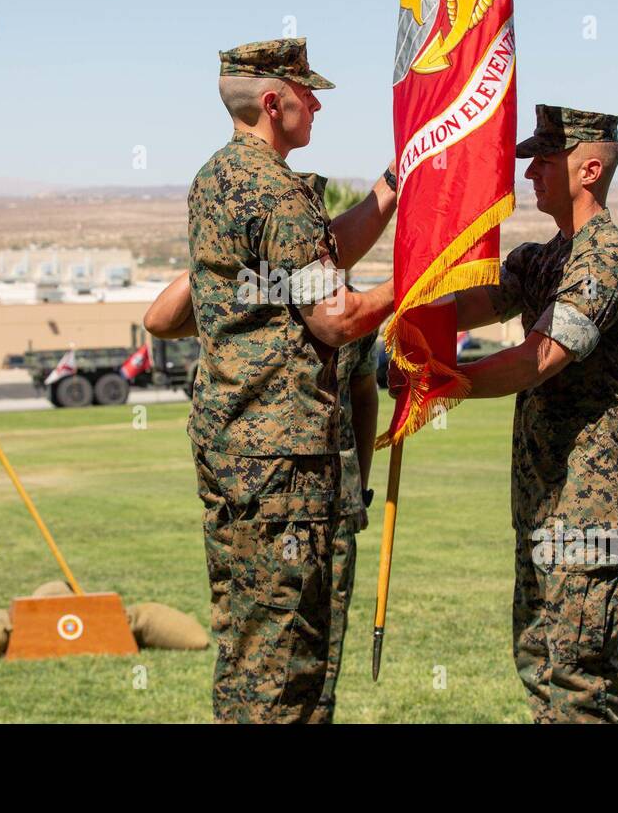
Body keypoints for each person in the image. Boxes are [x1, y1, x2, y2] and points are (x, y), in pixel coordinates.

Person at [178, 36, 396, 722]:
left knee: (248, 646)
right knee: (289, 662)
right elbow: (335, 318)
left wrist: (393, 192)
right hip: (286, 459)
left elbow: (310, 257)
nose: (319, 105)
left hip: (236, 448)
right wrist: (423, 282)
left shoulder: (217, 178)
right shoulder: (277, 193)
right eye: (309, 94)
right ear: (275, 102)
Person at [452, 104, 618, 723]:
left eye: (545, 158)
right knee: (540, 663)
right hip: (543, 496)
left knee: (578, 676)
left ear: (589, 169)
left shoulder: (604, 260)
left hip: (591, 500)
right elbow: (465, 304)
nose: (530, 170)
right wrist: (397, 319)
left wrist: (443, 383)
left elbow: (538, 359)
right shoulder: (542, 259)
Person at [145, 276, 379, 723]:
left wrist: (358, 490)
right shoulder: (244, 290)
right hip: (250, 501)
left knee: (318, 657)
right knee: (247, 647)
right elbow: (159, 320)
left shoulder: (347, 304)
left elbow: (364, 393)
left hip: (330, 506)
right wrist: (219, 251)